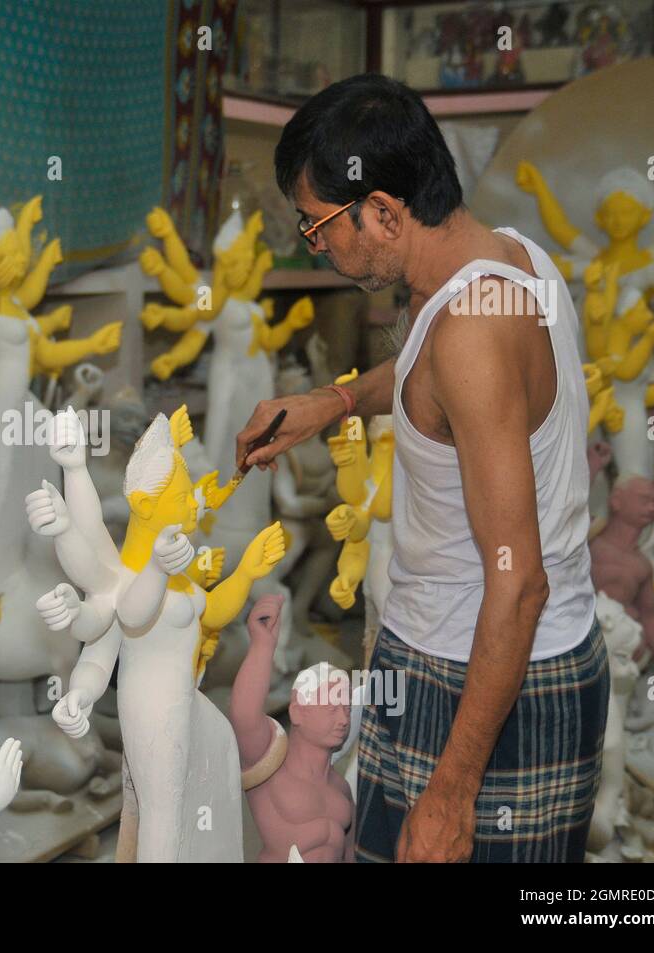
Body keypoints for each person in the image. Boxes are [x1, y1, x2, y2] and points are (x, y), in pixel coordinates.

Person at [236, 74, 608, 862]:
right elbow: (425, 374)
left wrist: (450, 794)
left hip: (489, 675)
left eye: (317, 226)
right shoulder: (508, 258)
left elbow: (519, 581)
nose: (320, 247)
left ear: (382, 210)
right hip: (471, 653)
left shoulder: (472, 330)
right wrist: (332, 403)